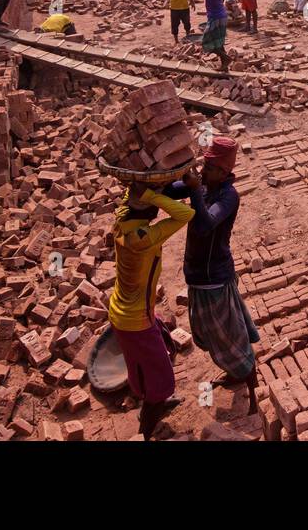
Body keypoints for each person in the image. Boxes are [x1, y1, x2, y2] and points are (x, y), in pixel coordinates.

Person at [164, 138, 260, 413]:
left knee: (232, 337)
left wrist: (194, 189)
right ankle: (236, 374)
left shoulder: (229, 196)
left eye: (209, 167)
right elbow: (170, 191)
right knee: (213, 335)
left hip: (215, 278)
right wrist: (177, 171)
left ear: (223, 171)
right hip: (197, 275)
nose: (203, 172)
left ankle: (251, 385)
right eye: (203, 165)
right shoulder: (205, 185)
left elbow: (205, 224)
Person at [107, 184, 194, 440]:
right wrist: (152, 195)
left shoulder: (122, 220)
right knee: (162, 379)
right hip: (136, 322)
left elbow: (131, 192)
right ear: (151, 212)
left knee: (143, 365)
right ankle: (146, 429)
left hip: (122, 313)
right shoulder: (144, 238)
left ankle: (154, 401)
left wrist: (145, 189)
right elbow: (185, 214)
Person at [194, 0, 231, 72]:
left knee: (206, 42)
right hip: (221, 16)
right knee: (219, 41)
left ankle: (226, 58)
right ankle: (225, 66)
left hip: (216, 17)